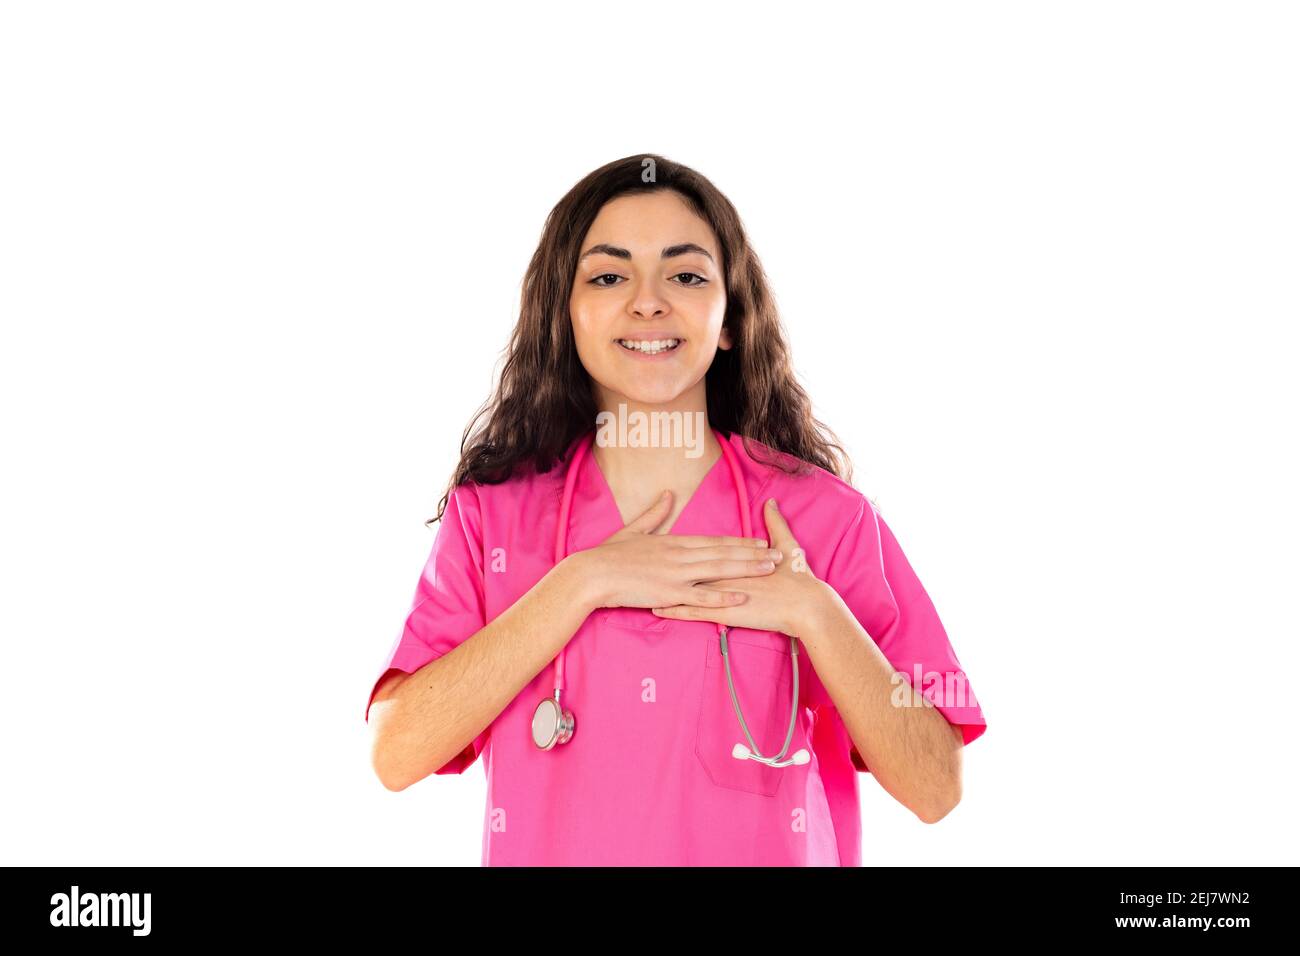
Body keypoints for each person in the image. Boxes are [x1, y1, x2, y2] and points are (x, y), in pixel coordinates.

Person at [364, 154, 987, 866]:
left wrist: (816, 613)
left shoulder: (824, 518)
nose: (649, 301)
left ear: (728, 320)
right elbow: (396, 751)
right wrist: (581, 584)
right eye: (608, 275)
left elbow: (937, 787)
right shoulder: (493, 518)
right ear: (565, 317)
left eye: (686, 275)